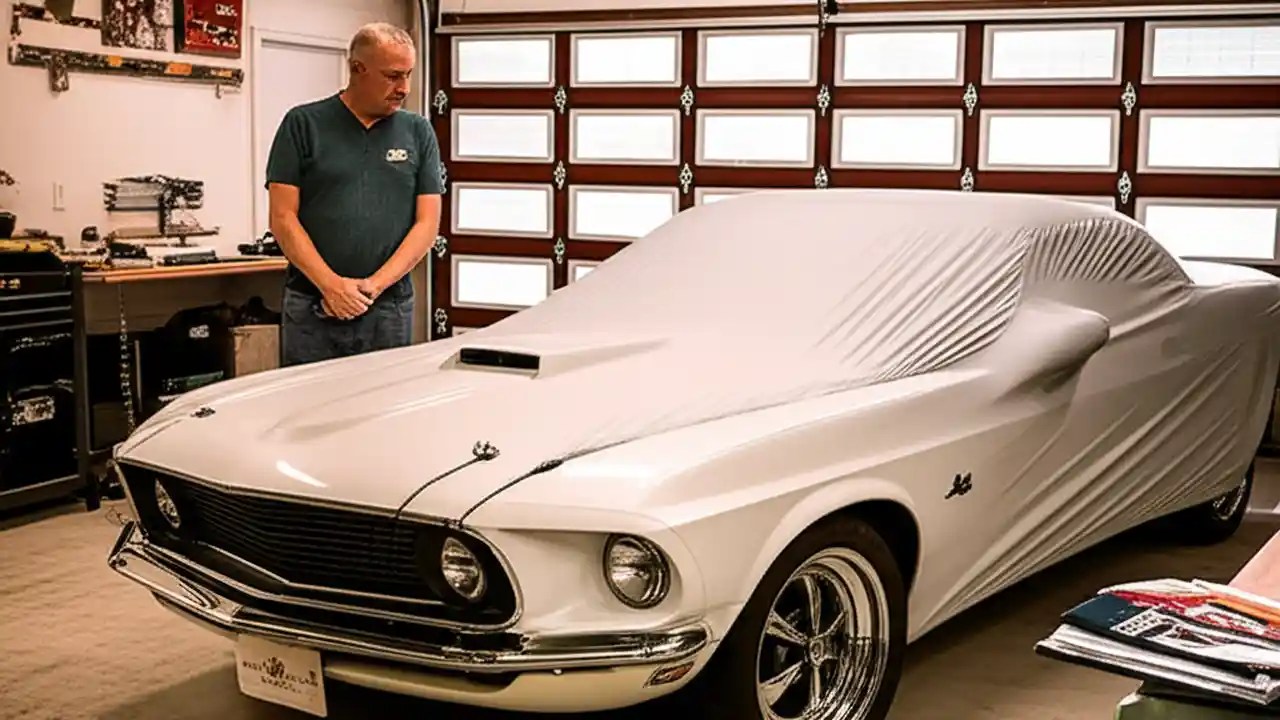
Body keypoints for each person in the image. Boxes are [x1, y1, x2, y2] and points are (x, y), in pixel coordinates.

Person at [265, 22, 442, 367]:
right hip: (312, 304)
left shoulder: (418, 132)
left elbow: (427, 223)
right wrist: (331, 286)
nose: (404, 88)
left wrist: (371, 288)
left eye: (408, 75)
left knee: (382, 411)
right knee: (305, 411)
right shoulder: (302, 125)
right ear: (357, 69)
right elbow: (282, 217)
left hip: (388, 307)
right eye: (392, 76)